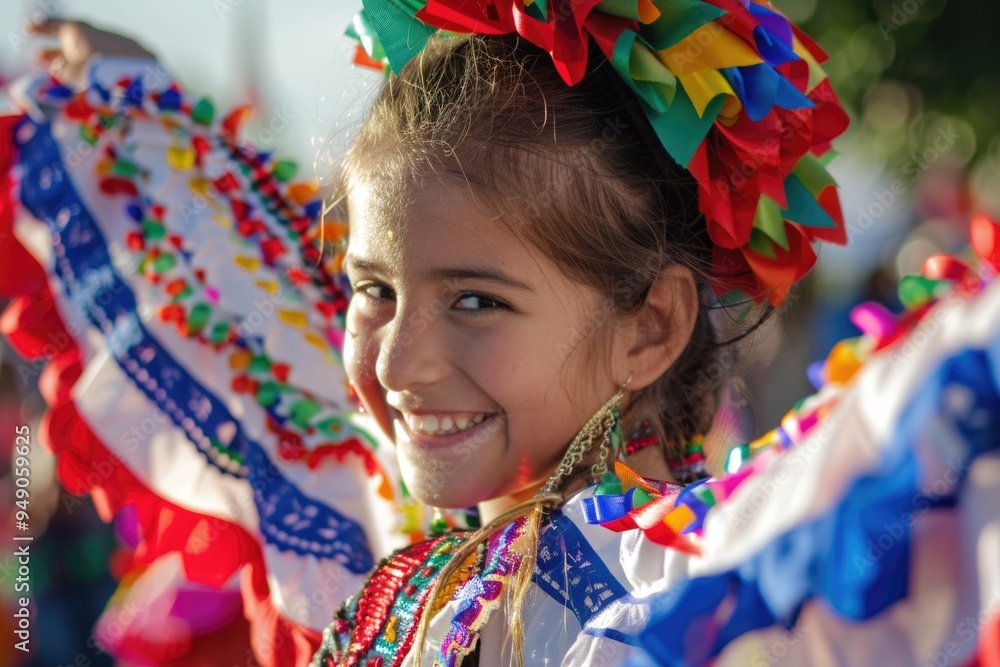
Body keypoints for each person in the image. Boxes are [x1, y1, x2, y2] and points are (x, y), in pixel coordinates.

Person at [2, 5, 998, 667]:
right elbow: (258, 332)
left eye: (475, 301)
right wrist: (129, 117)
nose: (394, 364)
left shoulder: (676, 591)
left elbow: (916, 425)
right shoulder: (400, 553)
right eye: (373, 290)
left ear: (648, 328)